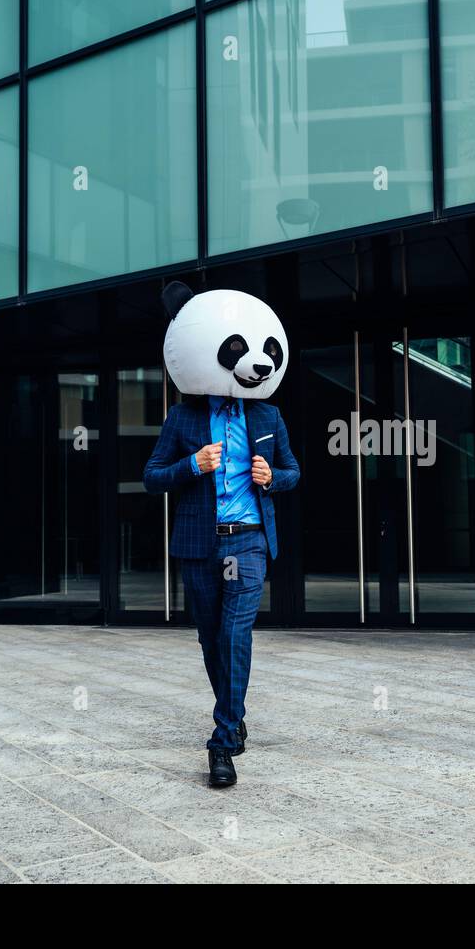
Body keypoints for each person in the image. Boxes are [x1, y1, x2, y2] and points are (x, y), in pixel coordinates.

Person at [144, 282, 299, 787]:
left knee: (235, 634)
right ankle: (233, 711)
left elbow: (294, 472)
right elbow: (152, 477)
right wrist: (192, 464)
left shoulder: (268, 415)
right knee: (211, 638)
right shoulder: (183, 417)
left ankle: (222, 742)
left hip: (249, 539)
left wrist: (271, 477)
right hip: (199, 543)